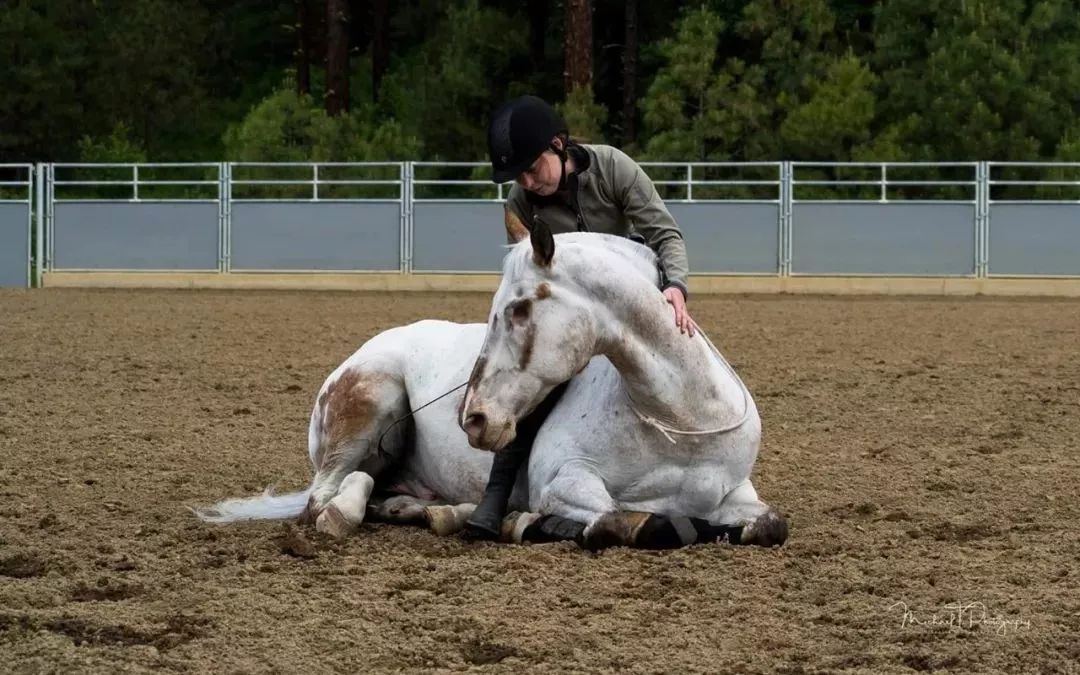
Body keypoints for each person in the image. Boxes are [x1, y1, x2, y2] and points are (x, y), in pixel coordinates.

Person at [463, 94, 696, 539]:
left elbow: (664, 233)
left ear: (558, 145)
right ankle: (497, 492)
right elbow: (528, 279)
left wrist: (676, 288)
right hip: (573, 325)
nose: (528, 182)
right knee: (534, 383)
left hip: (632, 316)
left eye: (533, 169)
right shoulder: (520, 202)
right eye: (520, 176)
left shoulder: (613, 168)